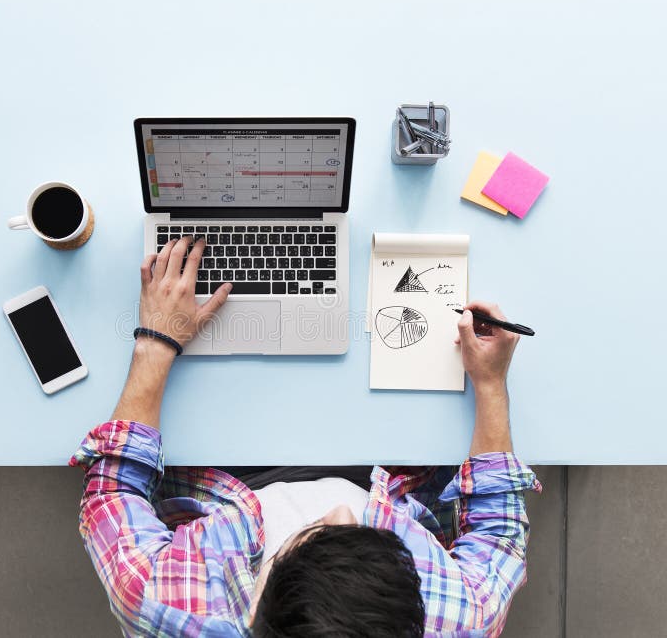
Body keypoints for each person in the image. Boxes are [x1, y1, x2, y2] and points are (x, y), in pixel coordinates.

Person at [70, 236, 541, 637]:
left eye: (312, 534)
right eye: (365, 532)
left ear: (254, 608)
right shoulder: (460, 618)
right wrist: (490, 383)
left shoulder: (166, 604)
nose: (340, 508)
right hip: (398, 475)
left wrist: (156, 340)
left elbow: (111, 496)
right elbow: (498, 534)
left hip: (226, 477)